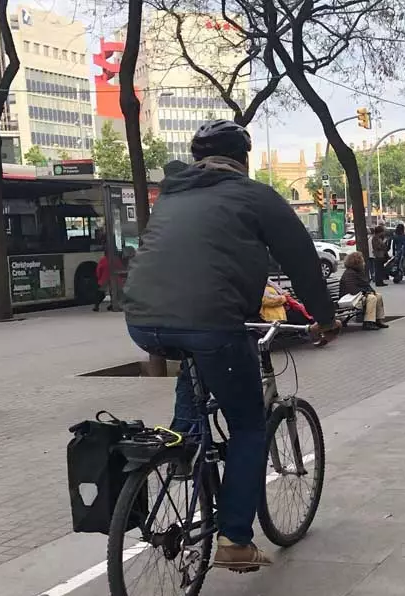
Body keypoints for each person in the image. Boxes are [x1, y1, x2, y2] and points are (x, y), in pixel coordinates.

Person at [122, 119, 339, 571]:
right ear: (244, 158)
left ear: (198, 157)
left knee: (197, 360)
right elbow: (302, 259)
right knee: (247, 426)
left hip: (143, 323)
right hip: (212, 323)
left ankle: (182, 446)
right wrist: (323, 319)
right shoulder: (255, 195)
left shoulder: (172, 194)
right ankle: (236, 539)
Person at [340, 251, 389, 330]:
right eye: (362, 261)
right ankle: (368, 322)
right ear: (357, 262)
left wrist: (371, 291)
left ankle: (378, 319)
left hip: (358, 295)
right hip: (350, 298)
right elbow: (352, 289)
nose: (364, 263)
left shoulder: (358, 272)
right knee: (371, 298)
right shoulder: (349, 273)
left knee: (378, 296)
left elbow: (366, 285)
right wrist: (366, 293)